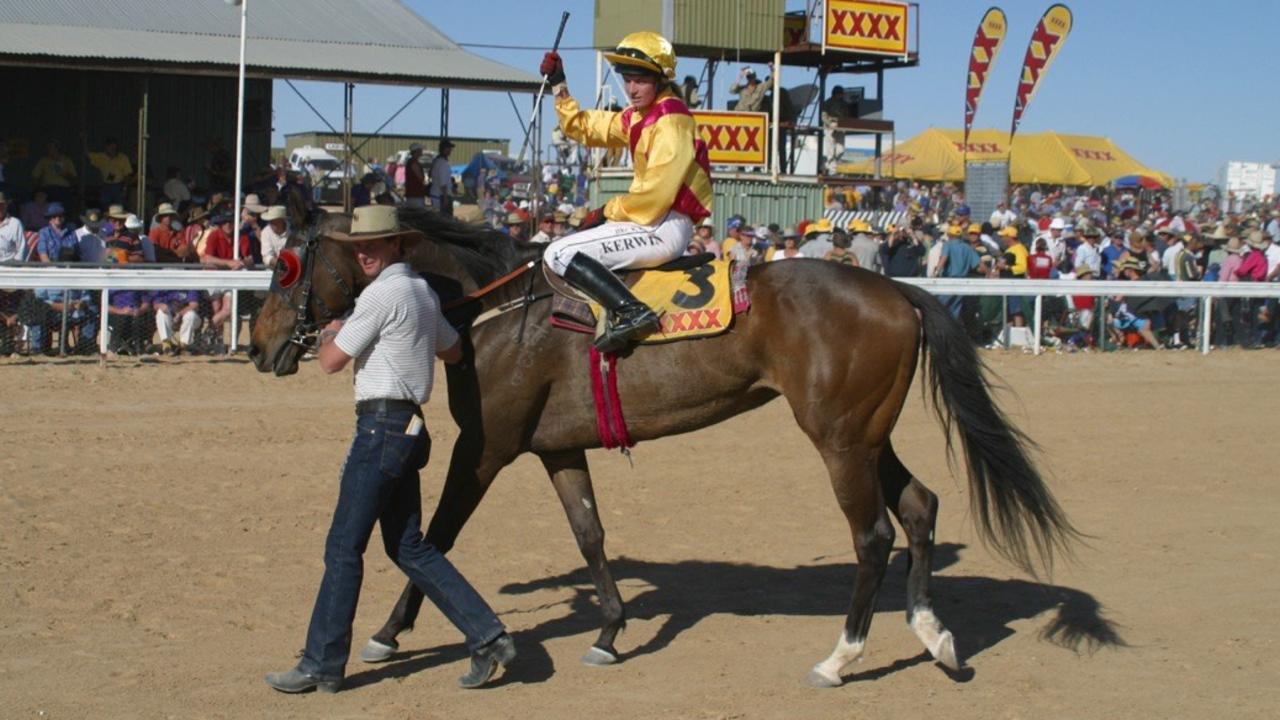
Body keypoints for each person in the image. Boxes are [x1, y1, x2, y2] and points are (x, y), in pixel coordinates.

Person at [265, 205, 515, 694]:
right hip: (407, 429)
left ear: (399, 245)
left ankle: (321, 662)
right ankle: (487, 635)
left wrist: (332, 330)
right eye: (360, 246)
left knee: (343, 548)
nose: (364, 254)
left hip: (380, 428)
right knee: (407, 547)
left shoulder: (380, 295)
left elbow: (332, 362)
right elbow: (454, 350)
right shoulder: (421, 291)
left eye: (373, 245)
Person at [540, 31, 712, 352]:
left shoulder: (671, 121)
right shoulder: (638, 116)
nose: (631, 89)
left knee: (558, 253)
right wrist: (559, 84)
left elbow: (654, 199)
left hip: (662, 224)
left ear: (661, 79)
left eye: (640, 81)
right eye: (627, 80)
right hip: (651, 221)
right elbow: (584, 126)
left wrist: (607, 210)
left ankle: (634, 311)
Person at [88, 137, 133, 207]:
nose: (113, 150)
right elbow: (88, 154)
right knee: (104, 205)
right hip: (106, 186)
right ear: (106, 147)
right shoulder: (101, 157)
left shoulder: (123, 158)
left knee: (120, 206)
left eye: (114, 148)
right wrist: (84, 140)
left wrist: (125, 188)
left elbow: (127, 175)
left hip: (119, 186)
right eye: (110, 148)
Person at [428, 140, 455, 216]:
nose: (451, 150)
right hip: (441, 196)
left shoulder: (436, 161)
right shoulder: (443, 163)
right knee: (444, 220)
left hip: (436, 194)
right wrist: (446, 197)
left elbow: (430, 174)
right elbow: (443, 182)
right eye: (450, 148)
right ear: (445, 149)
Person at [403, 143, 427, 209]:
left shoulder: (412, 162)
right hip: (415, 194)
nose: (422, 151)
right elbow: (420, 177)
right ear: (416, 151)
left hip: (414, 194)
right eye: (420, 150)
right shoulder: (413, 163)